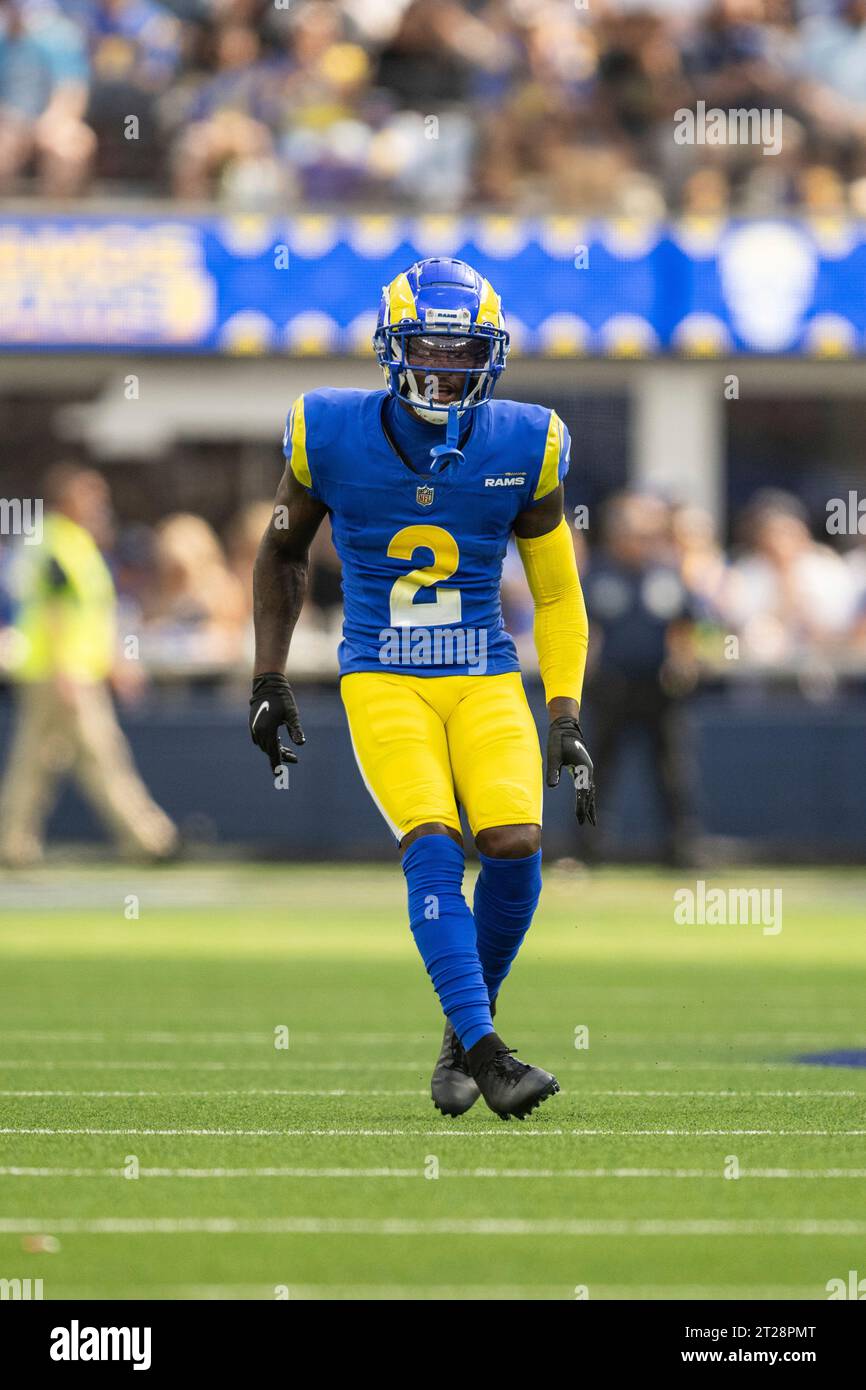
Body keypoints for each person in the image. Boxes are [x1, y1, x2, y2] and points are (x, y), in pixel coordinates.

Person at [250, 257, 595, 1121]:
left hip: (482, 671)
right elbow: (282, 551)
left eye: (464, 352)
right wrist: (269, 675)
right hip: (383, 671)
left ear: (493, 353)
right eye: (429, 351)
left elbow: (555, 592)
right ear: (391, 348)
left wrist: (564, 711)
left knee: (515, 844)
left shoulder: (528, 441)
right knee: (434, 844)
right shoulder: (326, 431)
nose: (446, 369)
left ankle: (460, 1030)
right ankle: (487, 1051)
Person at [0, 465, 178, 866]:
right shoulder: (54, 542)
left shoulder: (75, 544)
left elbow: (94, 614)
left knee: (38, 760)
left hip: (71, 671)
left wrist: (114, 661)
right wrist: (66, 670)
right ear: (66, 500)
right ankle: (150, 840)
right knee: (100, 754)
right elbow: (54, 611)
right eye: (91, 497)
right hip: (60, 673)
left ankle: (13, 845)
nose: (100, 506)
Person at [582, 491, 697, 865]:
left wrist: (682, 661)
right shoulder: (597, 574)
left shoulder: (666, 574)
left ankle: (680, 849)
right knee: (597, 768)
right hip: (611, 686)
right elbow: (583, 626)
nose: (640, 543)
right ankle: (589, 849)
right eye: (633, 534)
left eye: (647, 535)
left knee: (670, 771)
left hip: (657, 688)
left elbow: (686, 622)